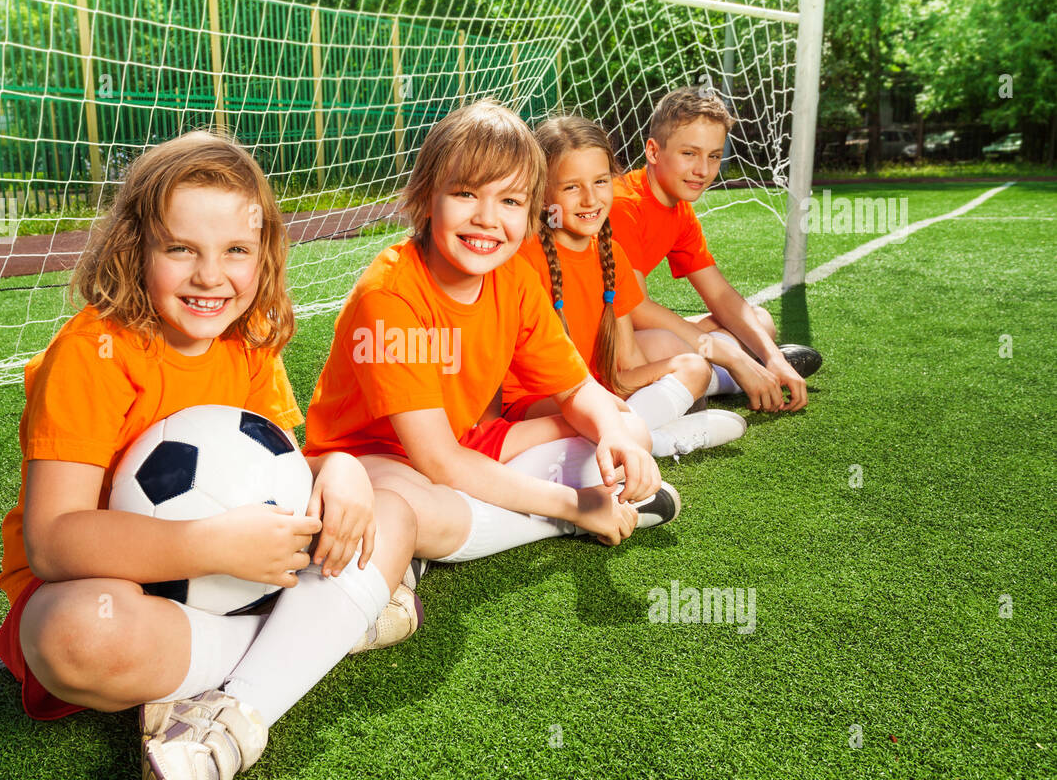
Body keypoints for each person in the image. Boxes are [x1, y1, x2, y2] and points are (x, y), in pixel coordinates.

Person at [0, 131, 417, 780]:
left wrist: (342, 471)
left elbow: (287, 473)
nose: (210, 276)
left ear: (264, 255)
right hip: (123, 602)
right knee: (69, 635)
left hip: (243, 587)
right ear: (135, 249)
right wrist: (211, 546)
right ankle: (316, 638)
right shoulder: (91, 355)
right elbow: (53, 542)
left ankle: (234, 703)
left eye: (236, 251)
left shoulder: (247, 342)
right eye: (181, 249)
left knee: (391, 512)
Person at [303, 100, 679, 581]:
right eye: (465, 194)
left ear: (531, 213)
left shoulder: (515, 278)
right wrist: (576, 505)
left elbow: (579, 389)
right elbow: (436, 460)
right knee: (420, 505)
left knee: (628, 425)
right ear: (425, 198)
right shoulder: (390, 295)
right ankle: (561, 520)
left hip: (465, 442)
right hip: (373, 459)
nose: (487, 218)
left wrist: (612, 435)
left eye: (510, 201)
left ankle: (432, 544)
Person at [502, 114, 747, 460]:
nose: (590, 199)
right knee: (592, 412)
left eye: (600, 182)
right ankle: (655, 440)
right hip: (539, 403)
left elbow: (627, 361)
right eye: (571, 187)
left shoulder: (609, 253)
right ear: (542, 193)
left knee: (694, 366)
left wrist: (634, 385)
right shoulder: (521, 258)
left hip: (597, 390)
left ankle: (634, 436)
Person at [609, 87, 821, 413]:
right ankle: (725, 377)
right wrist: (734, 357)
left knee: (760, 322)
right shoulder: (622, 205)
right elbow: (636, 309)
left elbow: (720, 296)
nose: (703, 170)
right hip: (600, 336)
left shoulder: (679, 210)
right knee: (676, 346)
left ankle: (737, 372)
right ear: (653, 151)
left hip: (630, 329)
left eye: (714, 156)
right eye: (689, 154)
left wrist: (772, 356)